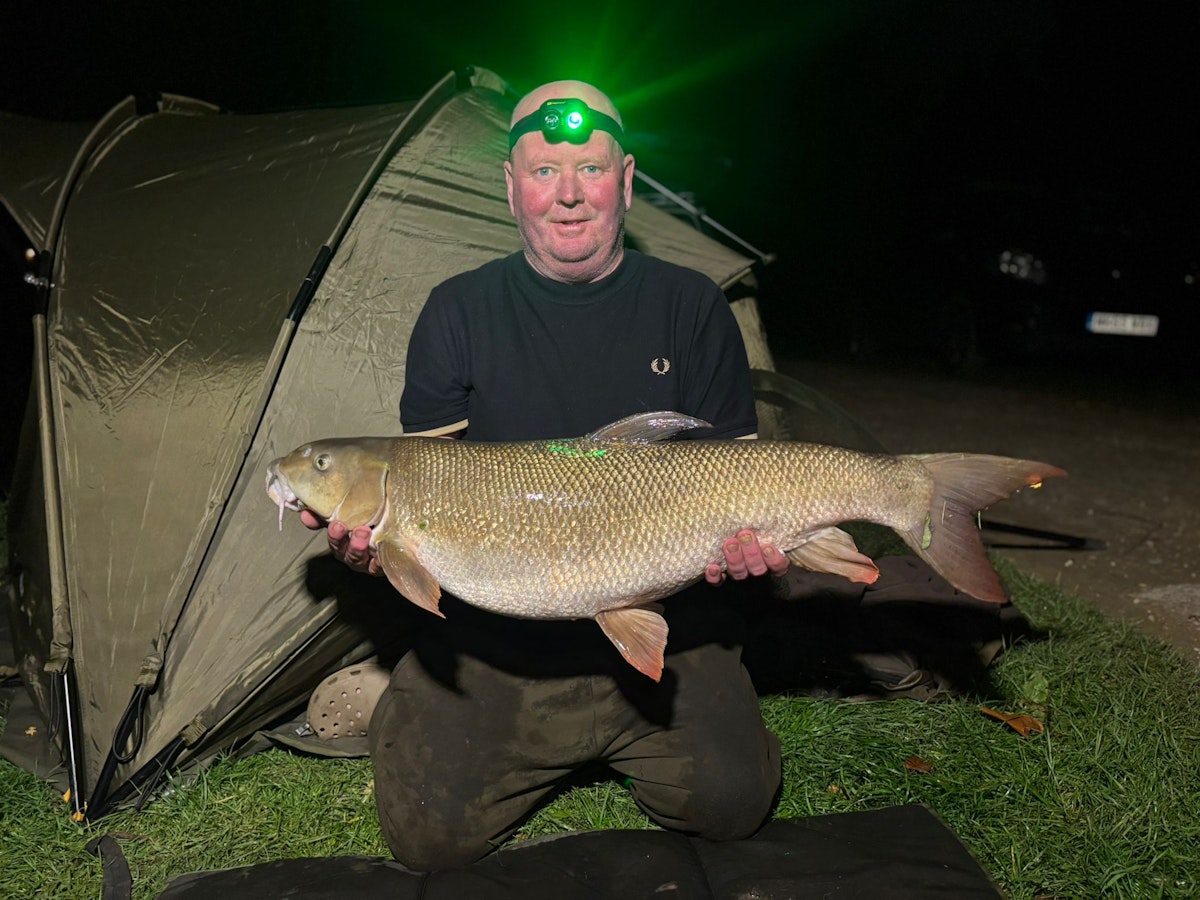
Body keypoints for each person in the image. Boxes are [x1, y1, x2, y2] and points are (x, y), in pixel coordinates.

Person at [303, 79, 790, 870]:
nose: (568, 195)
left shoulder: (692, 305)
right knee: (428, 837)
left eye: (590, 169)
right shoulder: (456, 311)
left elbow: (737, 477)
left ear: (625, 181)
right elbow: (420, 496)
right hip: (501, 643)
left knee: (732, 803)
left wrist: (748, 547)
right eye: (543, 172)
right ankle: (400, 687)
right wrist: (366, 552)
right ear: (511, 188)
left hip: (670, 619)